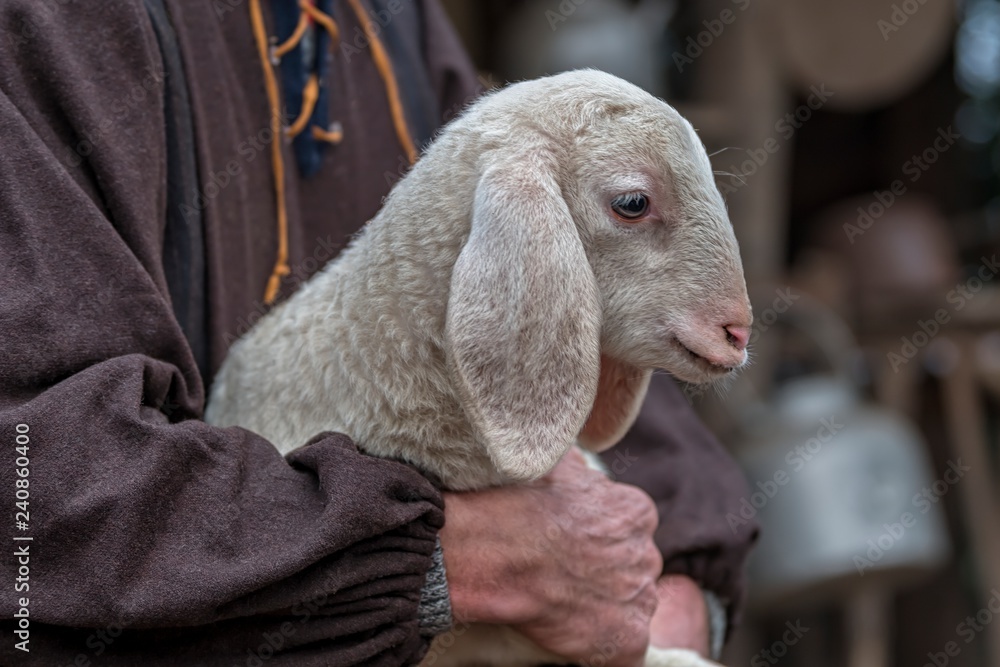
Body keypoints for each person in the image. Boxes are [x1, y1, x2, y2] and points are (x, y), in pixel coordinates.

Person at [0, 0, 758, 665]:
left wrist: (676, 581)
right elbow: (33, 491)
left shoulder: (394, 18)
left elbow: (557, 294)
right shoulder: (51, 25)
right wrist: (444, 561)